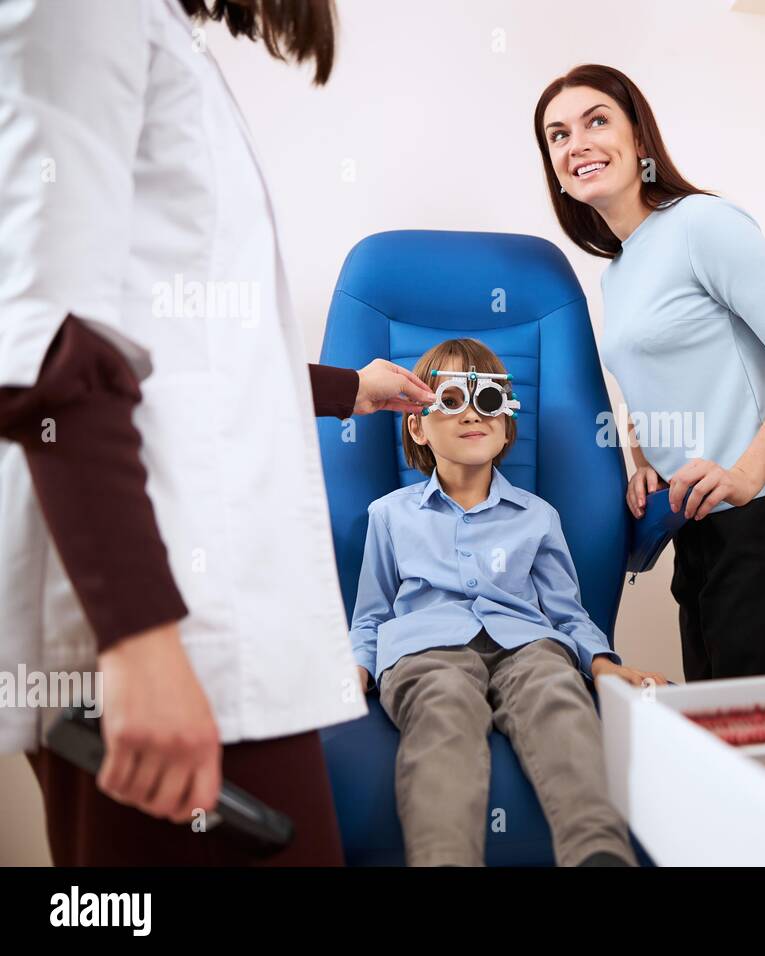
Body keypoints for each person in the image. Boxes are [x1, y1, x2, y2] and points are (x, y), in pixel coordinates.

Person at [0, 0, 435, 864]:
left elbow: (179, 335)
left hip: (213, 628)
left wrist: (351, 389)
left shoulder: (150, 28)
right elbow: (43, 339)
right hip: (167, 633)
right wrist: (138, 637)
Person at [534, 64, 765, 682]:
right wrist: (643, 459)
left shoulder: (703, 223)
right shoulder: (616, 274)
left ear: (640, 141)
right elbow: (657, 381)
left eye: (597, 121)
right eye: (559, 135)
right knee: (719, 738)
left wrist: (747, 476)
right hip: (693, 525)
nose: (578, 143)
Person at [351, 338, 667, 867]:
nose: (472, 413)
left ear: (505, 422)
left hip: (527, 645)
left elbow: (567, 613)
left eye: (489, 401)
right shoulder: (389, 516)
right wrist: (356, 668)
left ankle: (598, 855)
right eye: (451, 400)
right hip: (425, 651)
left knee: (557, 696)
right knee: (443, 708)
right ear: (417, 424)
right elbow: (372, 615)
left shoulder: (538, 516)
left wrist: (602, 662)